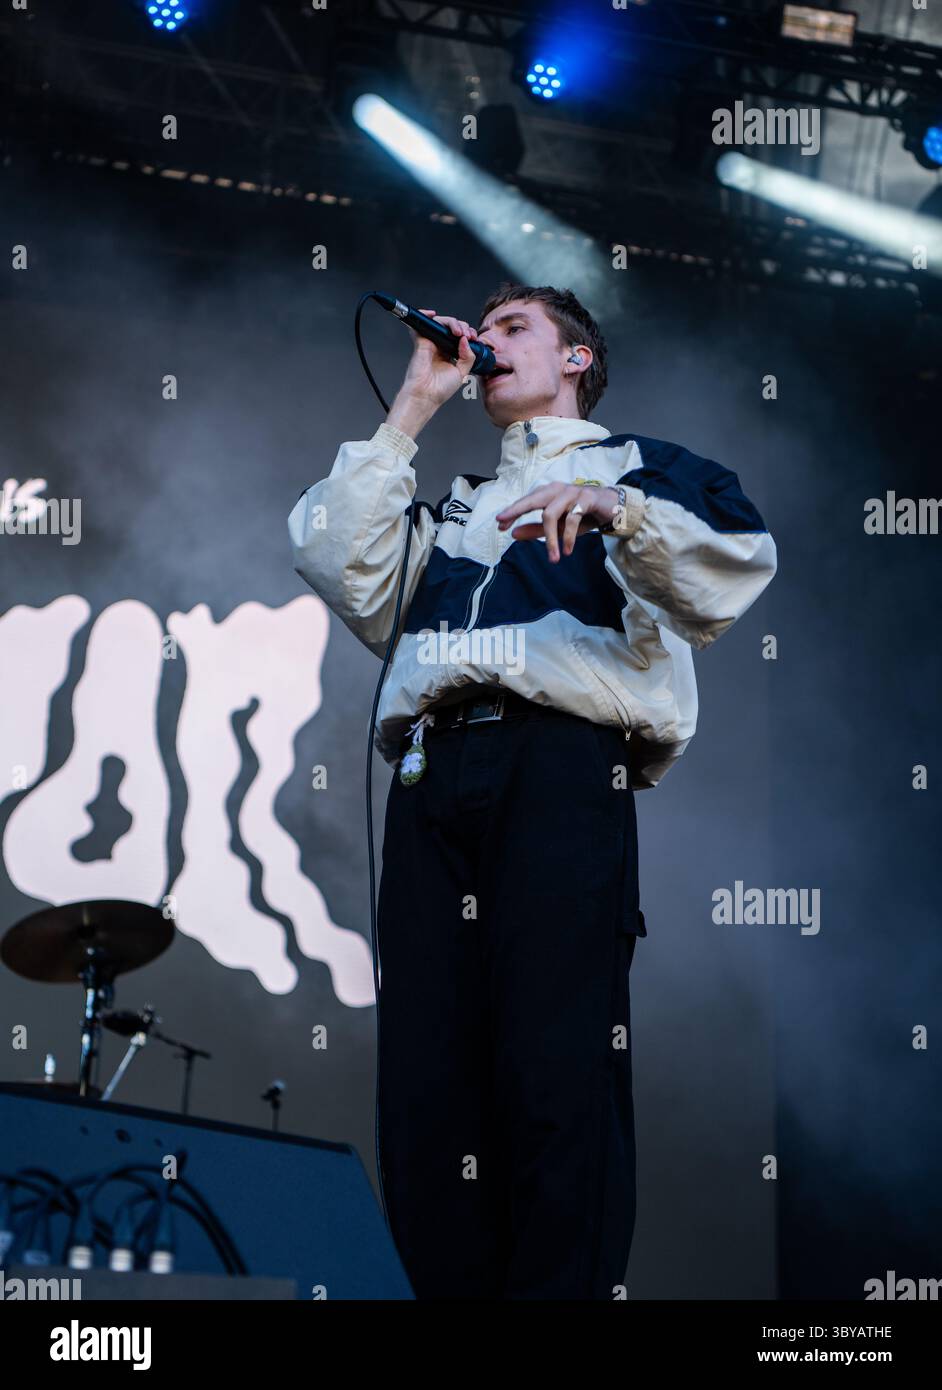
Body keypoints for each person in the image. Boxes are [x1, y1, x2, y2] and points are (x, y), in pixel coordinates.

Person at [288, 282, 777, 1300]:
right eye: (483, 327)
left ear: (577, 361)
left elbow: (738, 563)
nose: (484, 339)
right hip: (431, 778)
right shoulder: (456, 504)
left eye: (513, 328)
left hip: (557, 767)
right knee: (430, 1083)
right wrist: (414, 405)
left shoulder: (639, 467)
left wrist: (619, 511)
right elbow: (334, 558)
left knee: (556, 1068)